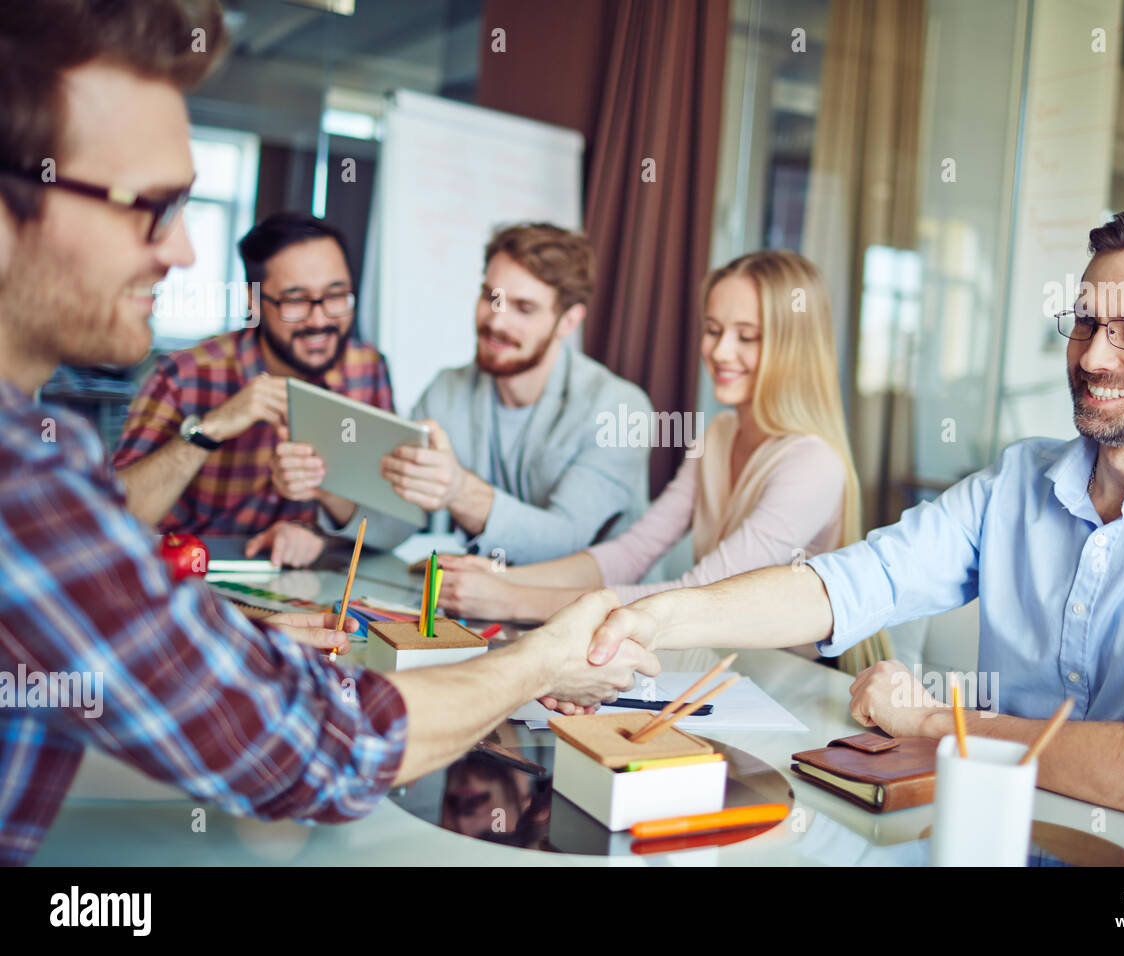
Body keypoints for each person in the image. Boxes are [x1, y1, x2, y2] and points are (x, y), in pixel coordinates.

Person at [0, 0, 655, 867]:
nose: (185, 252)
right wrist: (540, 663)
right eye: (148, 206)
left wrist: (310, 541)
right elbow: (314, 749)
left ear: (567, 321)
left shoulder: (39, 461)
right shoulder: (28, 479)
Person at [580, 202, 1124, 825]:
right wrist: (653, 619)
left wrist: (930, 723)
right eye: (1085, 323)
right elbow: (847, 582)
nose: (1093, 357)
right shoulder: (1020, 479)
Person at [433, 251, 861, 624]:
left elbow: (700, 596)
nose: (720, 351)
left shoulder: (811, 464)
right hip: (720, 662)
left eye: (747, 337)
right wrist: (498, 578)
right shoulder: (720, 434)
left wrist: (513, 600)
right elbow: (633, 551)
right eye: (713, 330)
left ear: (794, 348)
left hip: (788, 684)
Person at [272, 223, 655, 565]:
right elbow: (398, 522)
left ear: (568, 321)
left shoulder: (620, 409)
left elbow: (569, 544)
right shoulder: (447, 391)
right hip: (485, 609)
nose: (497, 321)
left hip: (601, 621)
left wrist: (459, 491)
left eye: (524, 308)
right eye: (491, 297)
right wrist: (326, 488)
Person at [112, 211, 392, 568]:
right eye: (295, 301)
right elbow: (113, 517)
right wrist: (209, 429)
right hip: (188, 579)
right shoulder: (184, 376)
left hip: (312, 585)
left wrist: (319, 531)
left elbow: (389, 514)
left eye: (336, 296)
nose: (320, 320)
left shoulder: (368, 369)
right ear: (255, 301)